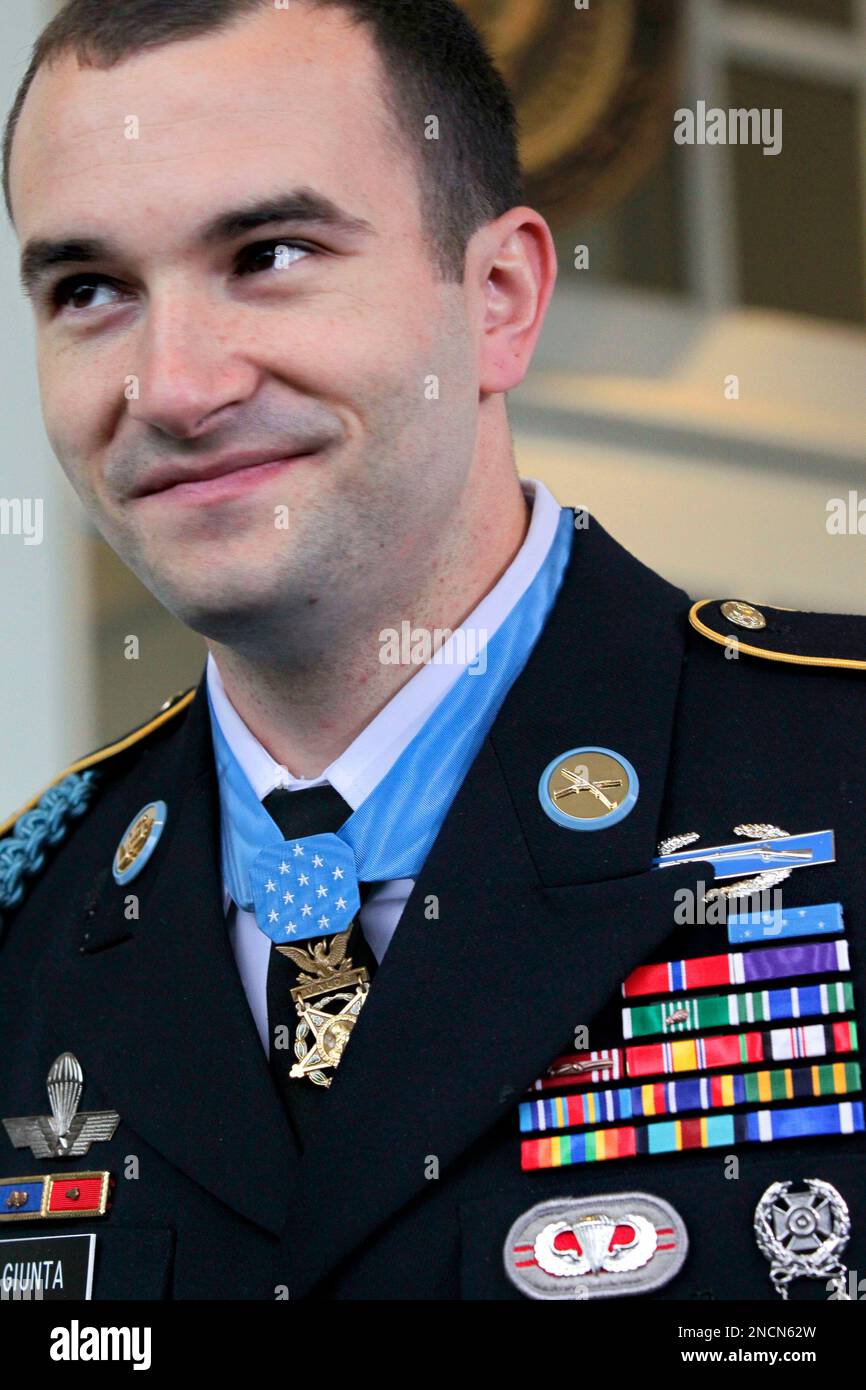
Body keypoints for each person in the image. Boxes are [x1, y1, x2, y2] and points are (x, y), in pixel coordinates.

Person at [0, 0, 863, 1303]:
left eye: (272, 252)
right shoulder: (25, 920)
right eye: (91, 289)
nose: (172, 387)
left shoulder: (835, 765)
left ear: (500, 298)